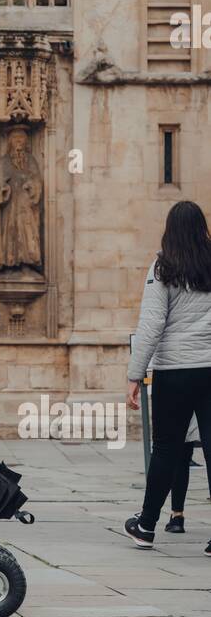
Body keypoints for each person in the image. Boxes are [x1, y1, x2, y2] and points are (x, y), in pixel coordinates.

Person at [125, 201, 211, 552]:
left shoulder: (163, 267)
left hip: (174, 371)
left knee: (165, 449)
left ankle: (146, 525)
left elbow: (151, 325)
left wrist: (135, 374)